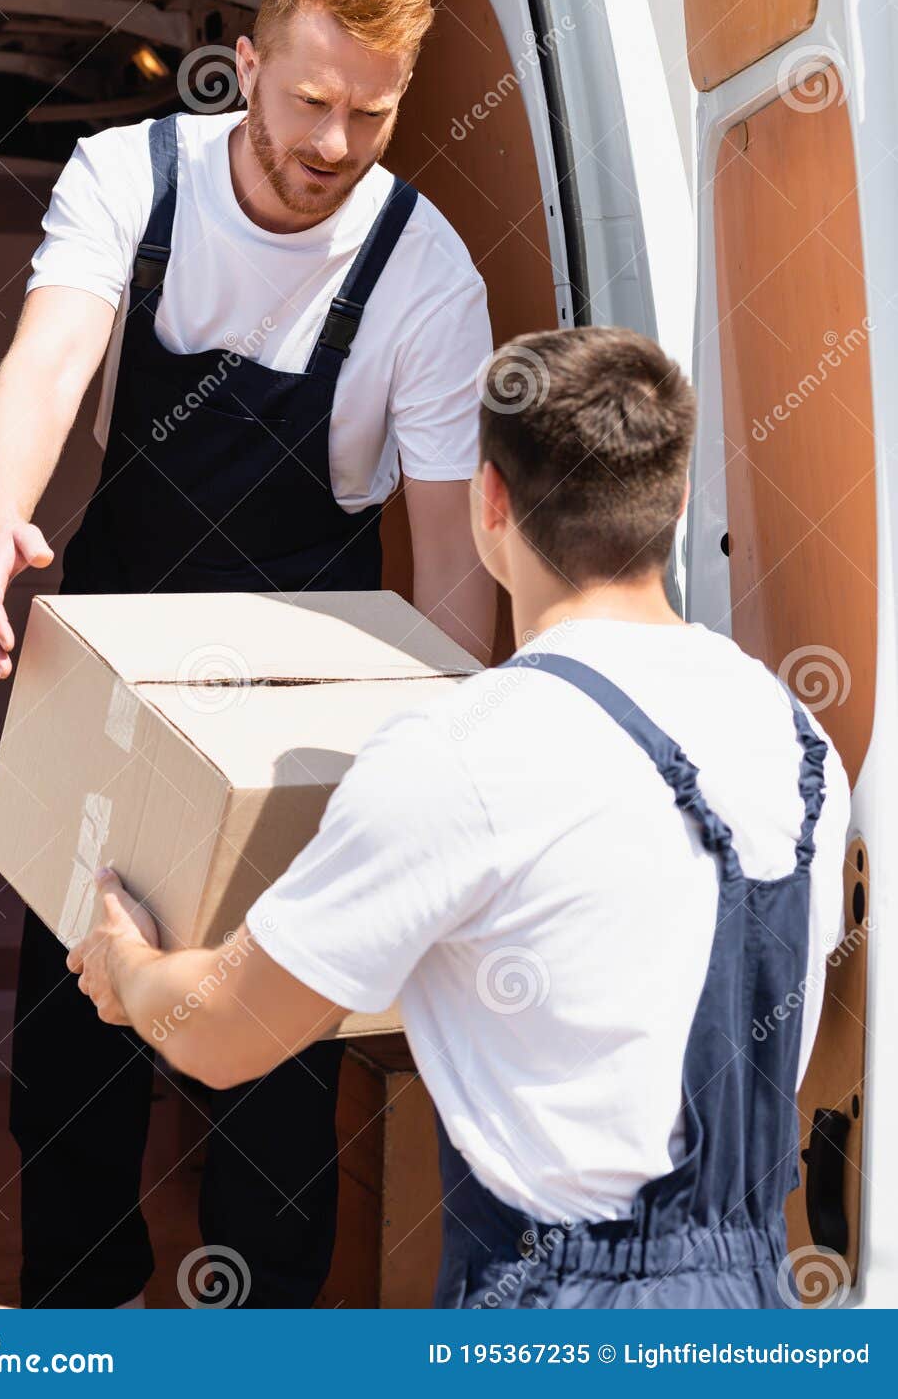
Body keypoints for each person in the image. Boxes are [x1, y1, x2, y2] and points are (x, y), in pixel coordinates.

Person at [70, 325, 849, 1310]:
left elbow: (223, 1033)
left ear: (489, 503)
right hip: (758, 1299)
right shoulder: (796, 734)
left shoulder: (464, 754)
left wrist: (130, 968)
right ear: (676, 500)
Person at [0, 0, 496, 1309]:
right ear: (246, 64)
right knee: (70, 1076)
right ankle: (86, 1324)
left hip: (298, 715)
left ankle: (252, 1355)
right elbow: (49, 360)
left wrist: (449, 785)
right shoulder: (131, 173)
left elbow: (449, 562)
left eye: (368, 115)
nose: (332, 140)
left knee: (273, 1095)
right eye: (309, 100)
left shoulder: (428, 277)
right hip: (119, 688)